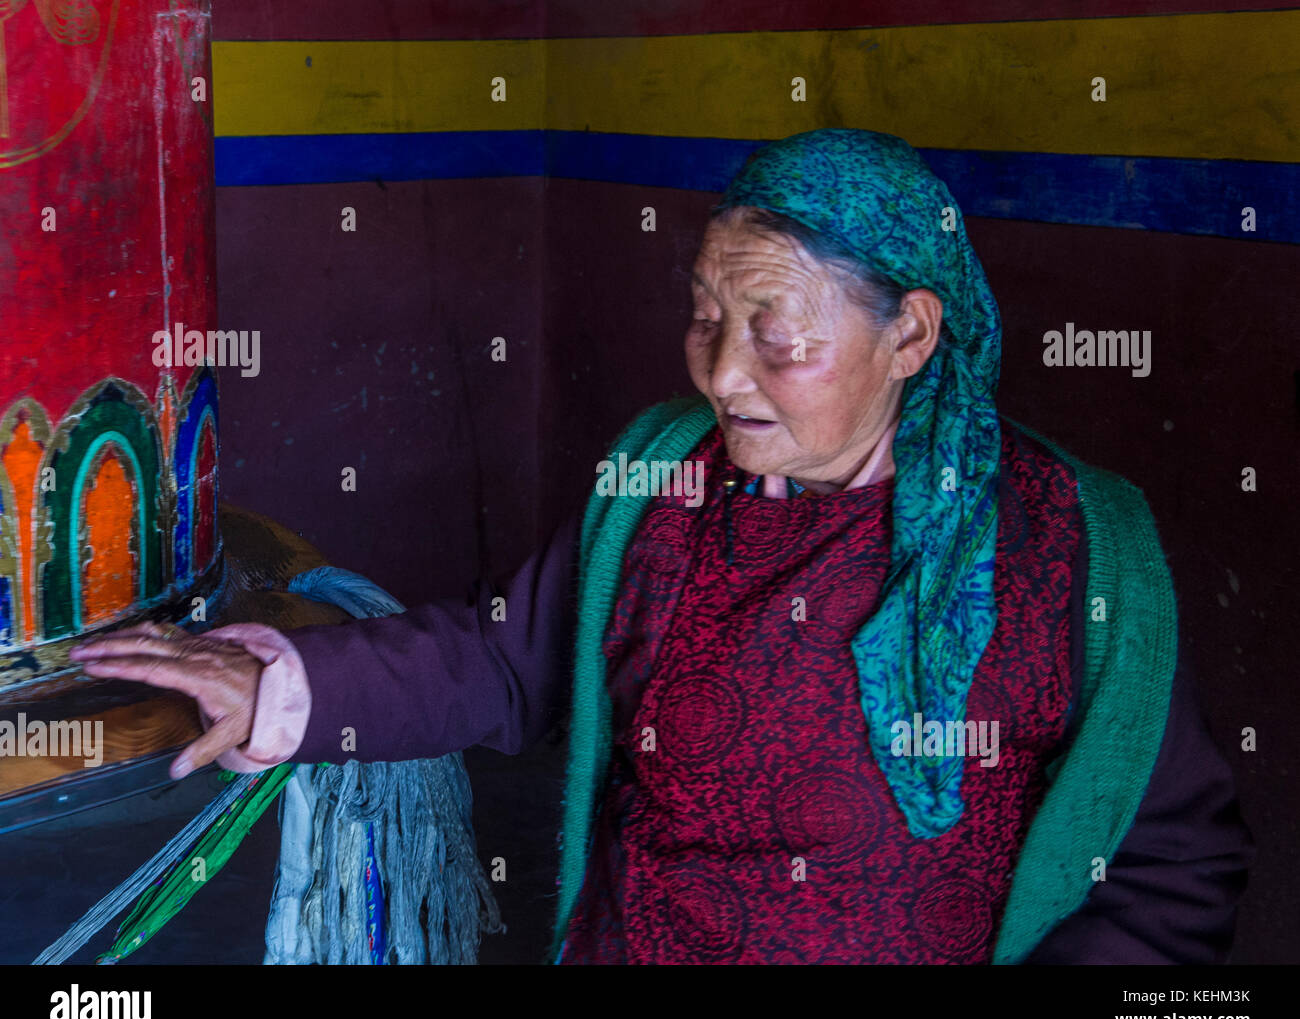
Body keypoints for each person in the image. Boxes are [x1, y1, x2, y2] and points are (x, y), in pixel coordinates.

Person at [70, 128, 1253, 965]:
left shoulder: (1076, 549)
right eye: (703, 316)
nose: (722, 372)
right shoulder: (658, 480)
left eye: (775, 338)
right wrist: (290, 678)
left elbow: (1170, 872)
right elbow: (507, 661)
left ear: (910, 335)